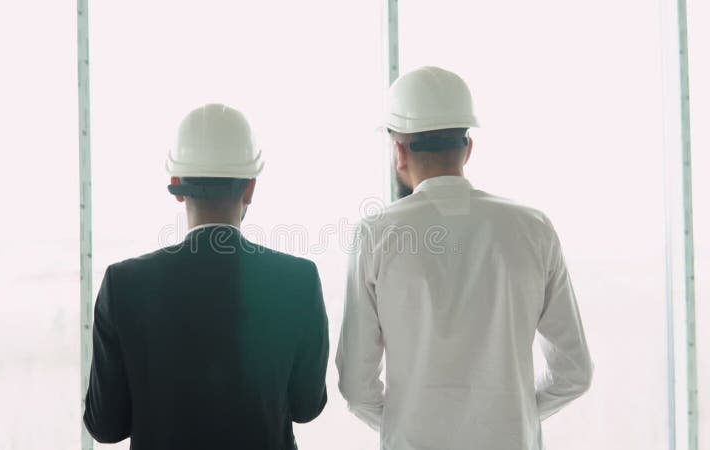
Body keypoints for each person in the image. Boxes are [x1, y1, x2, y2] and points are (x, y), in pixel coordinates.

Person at [336, 67, 593, 450]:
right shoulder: (533, 228)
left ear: (399, 152)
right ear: (468, 148)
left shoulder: (375, 234)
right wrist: (511, 416)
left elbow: (357, 389)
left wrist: (407, 424)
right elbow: (574, 372)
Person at [83, 104, 329, 450]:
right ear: (250, 188)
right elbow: (307, 407)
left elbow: (106, 427)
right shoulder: (298, 281)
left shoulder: (123, 285)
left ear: (176, 185)